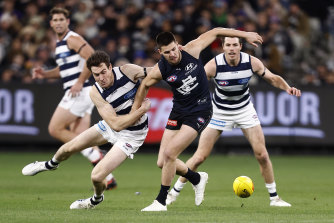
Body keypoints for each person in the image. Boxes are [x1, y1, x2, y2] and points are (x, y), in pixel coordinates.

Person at [132, 29, 263, 212]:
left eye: (173, 49)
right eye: (167, 52)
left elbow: (217, 31)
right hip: (178, 111)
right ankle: (196, 178)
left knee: (170, 154)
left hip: (201, 109)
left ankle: (161, 202)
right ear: (160, 53)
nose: (172, 54)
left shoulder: (192, 49)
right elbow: (144, 84)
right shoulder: (160, 69)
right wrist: (135, 112)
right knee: (162, 162)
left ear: (177, 45)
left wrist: (244, 36)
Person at [166, 37, 301, 207]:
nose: (231, 48)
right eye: (228, 45)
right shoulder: (213, 65)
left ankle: (274, 198)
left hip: (244, 110)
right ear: (222, 47)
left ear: (240, 47)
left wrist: (288, 88)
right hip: (219, 112)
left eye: (234, 45)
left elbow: (272, 78)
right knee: (199, 157)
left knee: (262, 155)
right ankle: (173, 193)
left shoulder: (251, 62)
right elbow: (193, 81)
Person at [22, 50, 151, 209]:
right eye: (96, 75)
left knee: (96, 177)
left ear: (110, 67)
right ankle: (50, 164)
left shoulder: (127, 71)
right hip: (112, 126)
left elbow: (154, 73)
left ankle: (95, 200)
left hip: (132, 136)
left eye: (104, 72)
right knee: (68, 148)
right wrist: (141, 110)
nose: (101, 78)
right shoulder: (95, 91)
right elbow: (116, 125)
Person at [31, 7, 116, 189]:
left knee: (55, 129)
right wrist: (44, 75)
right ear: (51, 23)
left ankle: (97, 157)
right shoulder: (60, 43)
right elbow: (63, 70)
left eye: (62, 19)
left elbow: (93, 58)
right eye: (55, 20)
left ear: (68, 22)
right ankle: (107, 176)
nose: (59, 22)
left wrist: (79, 81)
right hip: (81, 91)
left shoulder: (72, 38)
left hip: (80, 91)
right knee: (80, 137)